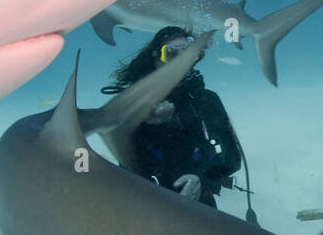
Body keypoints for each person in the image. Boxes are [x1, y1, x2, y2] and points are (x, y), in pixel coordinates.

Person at [102, 26, 243, 208]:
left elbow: (232, 159)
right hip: (140, 199)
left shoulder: (206, 100)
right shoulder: (130, 104)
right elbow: (128, 166)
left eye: (187, 54)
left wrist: (202, 180)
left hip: (195, 199)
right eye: (171, 54)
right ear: (155, 58)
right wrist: (143, 122)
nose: (181, 63)